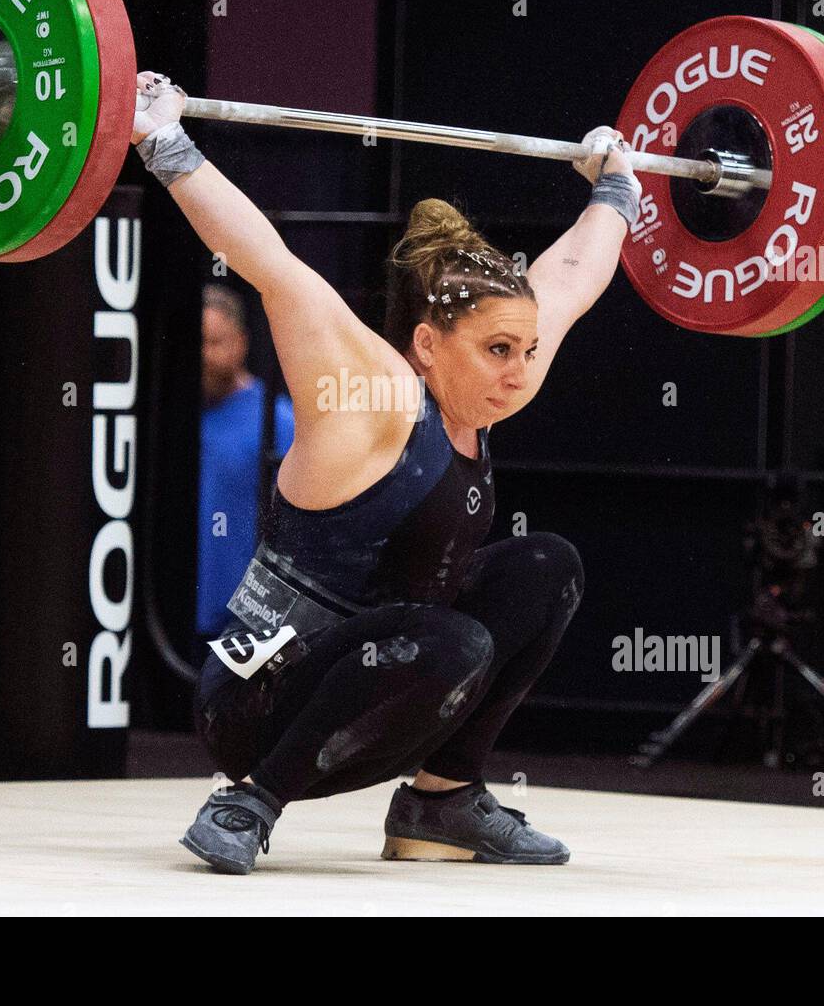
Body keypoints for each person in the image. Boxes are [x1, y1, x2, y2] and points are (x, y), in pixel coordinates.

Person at [131, 70, 640, 874]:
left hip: (394, 679)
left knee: (547, 567)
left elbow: (574, 277)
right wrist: (160, 139)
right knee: (450, 636)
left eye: (527, 350)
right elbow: (273, 266)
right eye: (499, 351)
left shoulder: (492, 380)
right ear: (430, 344)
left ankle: (439, 801)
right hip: (255, 703)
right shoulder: (373, 398)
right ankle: (248, 801)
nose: (519, 371)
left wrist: (617, 189)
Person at [197, 284, 295, 639]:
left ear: (240, 343)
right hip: (172, 616)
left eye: (213, 342)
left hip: (240, 625)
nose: (202, 355)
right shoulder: (168, 417)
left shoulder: (278, 422)